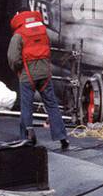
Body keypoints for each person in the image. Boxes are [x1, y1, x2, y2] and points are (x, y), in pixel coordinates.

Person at [8, 9, 69, 149]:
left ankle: (27, 136)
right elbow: (48, 50)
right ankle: (62, 137)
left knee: (26, 106)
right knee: (52, 105)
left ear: (18, 15)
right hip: (45, 74)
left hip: (27, 74)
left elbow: (13, 58)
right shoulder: (42, 30)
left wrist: (18, 69)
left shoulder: (19, 34)